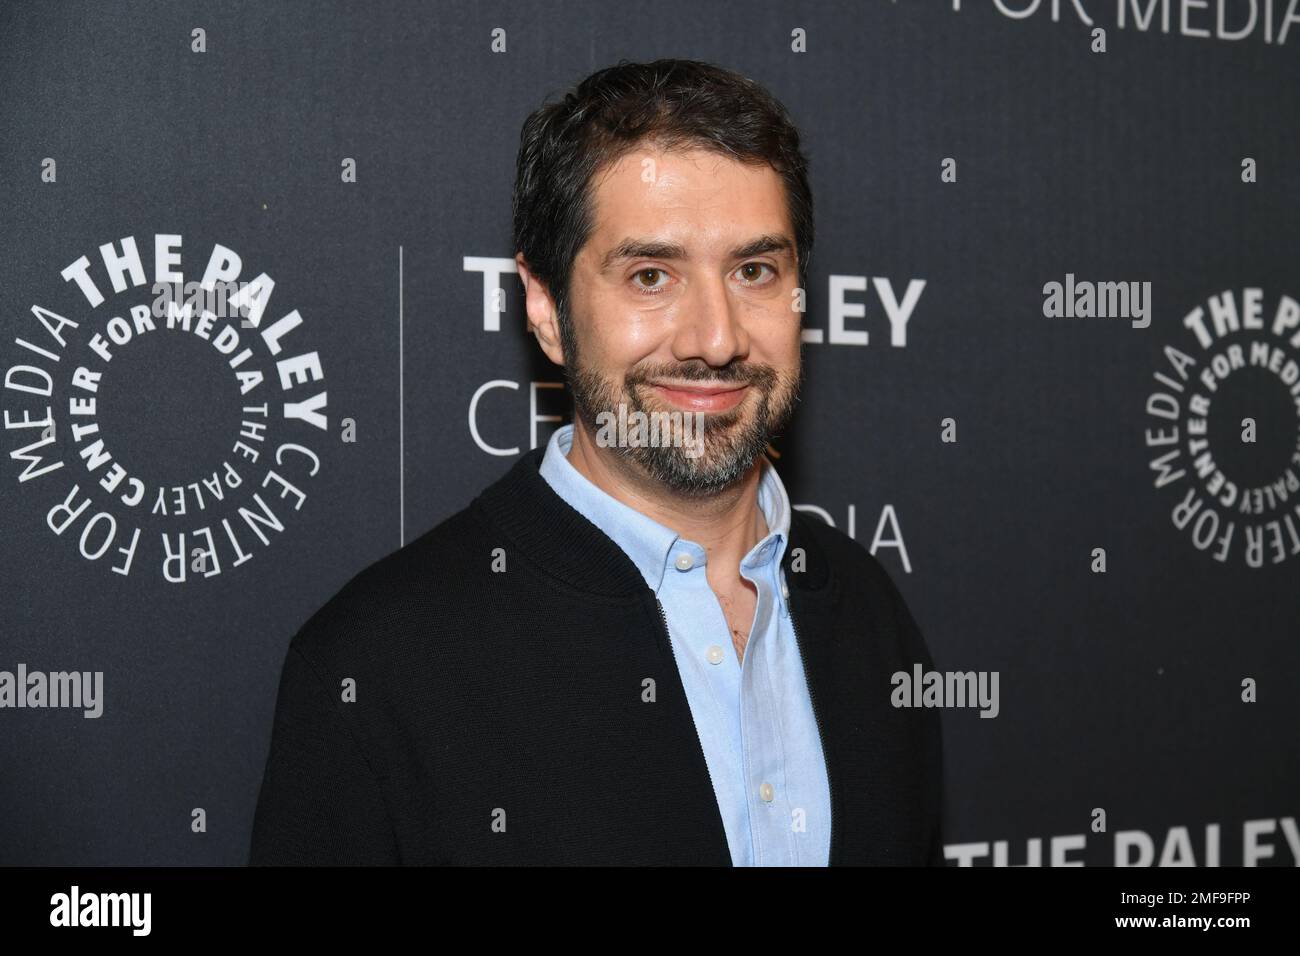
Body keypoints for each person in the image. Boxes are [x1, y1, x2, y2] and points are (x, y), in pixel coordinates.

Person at [249, 58, 943, 866]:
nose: (715, 338)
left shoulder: (870, 618)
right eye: (651, 276)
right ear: (545, 310)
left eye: (755, 271)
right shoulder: (378, 666)